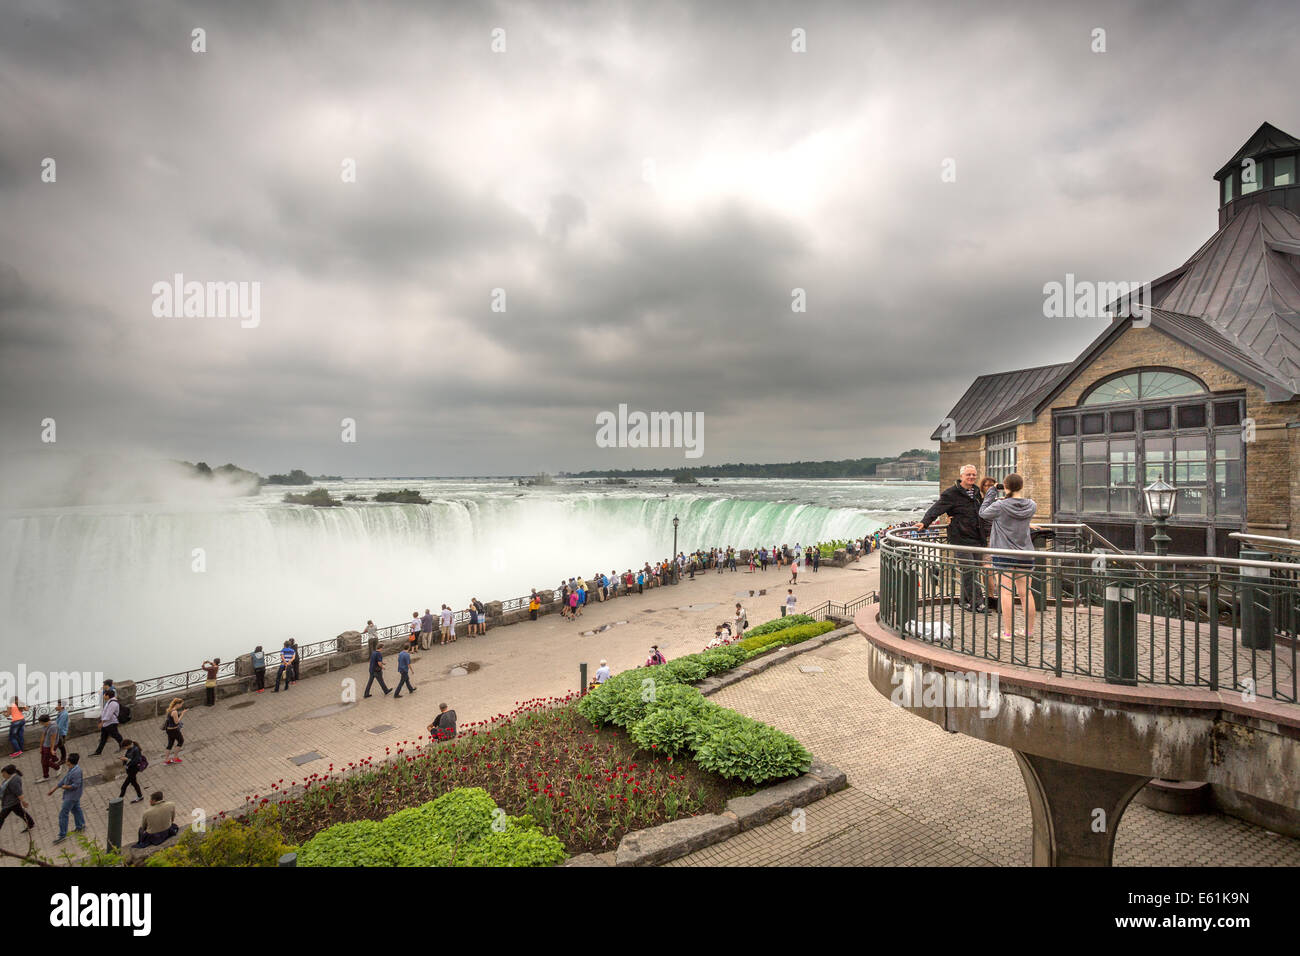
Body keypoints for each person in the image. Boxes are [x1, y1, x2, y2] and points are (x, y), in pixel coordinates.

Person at [917, 463, 988, 612]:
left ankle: (964, 601)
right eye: (968, 474)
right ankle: (978, 603)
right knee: (969, 570)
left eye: (974, 474)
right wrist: (925, 522)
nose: (971, 477)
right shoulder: (951, 493)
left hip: (977, 538)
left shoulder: (976, 492)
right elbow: (937, 508)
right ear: (961, 476)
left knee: (973, 571)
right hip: (960, 538)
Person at [980, 473, 1039, 640]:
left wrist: (991, 491)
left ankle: (1008, 632)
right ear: (1021, 486)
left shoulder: (1000, 506)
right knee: (1026, 593)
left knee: (1005, 593)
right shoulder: (1031, 505)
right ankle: (1028, 632)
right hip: (1025, 553)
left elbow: (983, 513)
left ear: (1005, 487)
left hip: (1004, 553)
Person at [49, 754, 87, 844]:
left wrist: (67, 787)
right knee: (76, 809)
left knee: (63, 814)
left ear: (70, 762)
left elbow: (76, 785)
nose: (65, 760)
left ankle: (62, 835)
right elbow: (65, 779)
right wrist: (54, 788)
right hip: (73, 795)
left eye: (67, 760)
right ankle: (80, 826)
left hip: (71, 796)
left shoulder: (76, 771)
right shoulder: (72, 769)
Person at [0, 765, 35, 834]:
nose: (2, 775)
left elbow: (18, 792)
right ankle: (31, 823)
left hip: (10, 803)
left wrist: (23, 802)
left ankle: (31, 823)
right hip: (10, 802)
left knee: (1, 817)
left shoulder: (14, 781)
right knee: (20, 812)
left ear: (8, 773)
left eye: (3, 773)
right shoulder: (9, 778)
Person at [91, 691, 124, 755]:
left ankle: (123, 746)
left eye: (104, 695)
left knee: (116, 736)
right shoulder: (110, 701)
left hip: (111, 723)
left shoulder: (113, 703)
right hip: (106, 723)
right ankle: (98, 752)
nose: (103, 696)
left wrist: (102, 722)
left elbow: (109, 715)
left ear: (108, 696)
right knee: (103, 738)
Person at [119, 738, 145, 803]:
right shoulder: (129, 749)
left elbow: (135, 761)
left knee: (124, 786)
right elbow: (128, 757)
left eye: (125, 747)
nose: (125, 748)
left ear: (128, 745)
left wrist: (126, 760)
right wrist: (124, 760)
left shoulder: (136, 750)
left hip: (133, 770)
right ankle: (140, 796)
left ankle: (118, 801)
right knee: (134, 783)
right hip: (130, 769)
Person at [163, 698, 187, 764]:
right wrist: (182, 714)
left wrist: (180, 713)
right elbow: (176, 722)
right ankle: (175, 758)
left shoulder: (170, 710)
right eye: (181, 704)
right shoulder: (174, 711)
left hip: (169, 730)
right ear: (177, 704)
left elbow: (172, 719)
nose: (181, 706)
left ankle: (166, 760)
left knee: (170, 744)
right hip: (174, 730)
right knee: (181, 741)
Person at [38, 714, 60, 780]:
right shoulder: (45, 726)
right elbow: (43, 736)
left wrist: (52, 749)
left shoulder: (53, 727)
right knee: (43, 761)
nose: (40, 723)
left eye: (40, 722)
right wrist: (41, 747)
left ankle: (56, 768)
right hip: (45, 745)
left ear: (44, 722)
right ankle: (46, 775)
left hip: (49, 746)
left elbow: (53, 739)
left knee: (45, 762)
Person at [54, 700, 69, 766]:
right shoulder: (61, 712)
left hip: (60, 733)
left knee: (61, 746)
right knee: (60, 746)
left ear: (61, 706)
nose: (56, 706)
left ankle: (63, 759)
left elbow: (59, 726)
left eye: (57, 705)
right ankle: (61, 759)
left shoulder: (64, 714)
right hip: (59, 733)